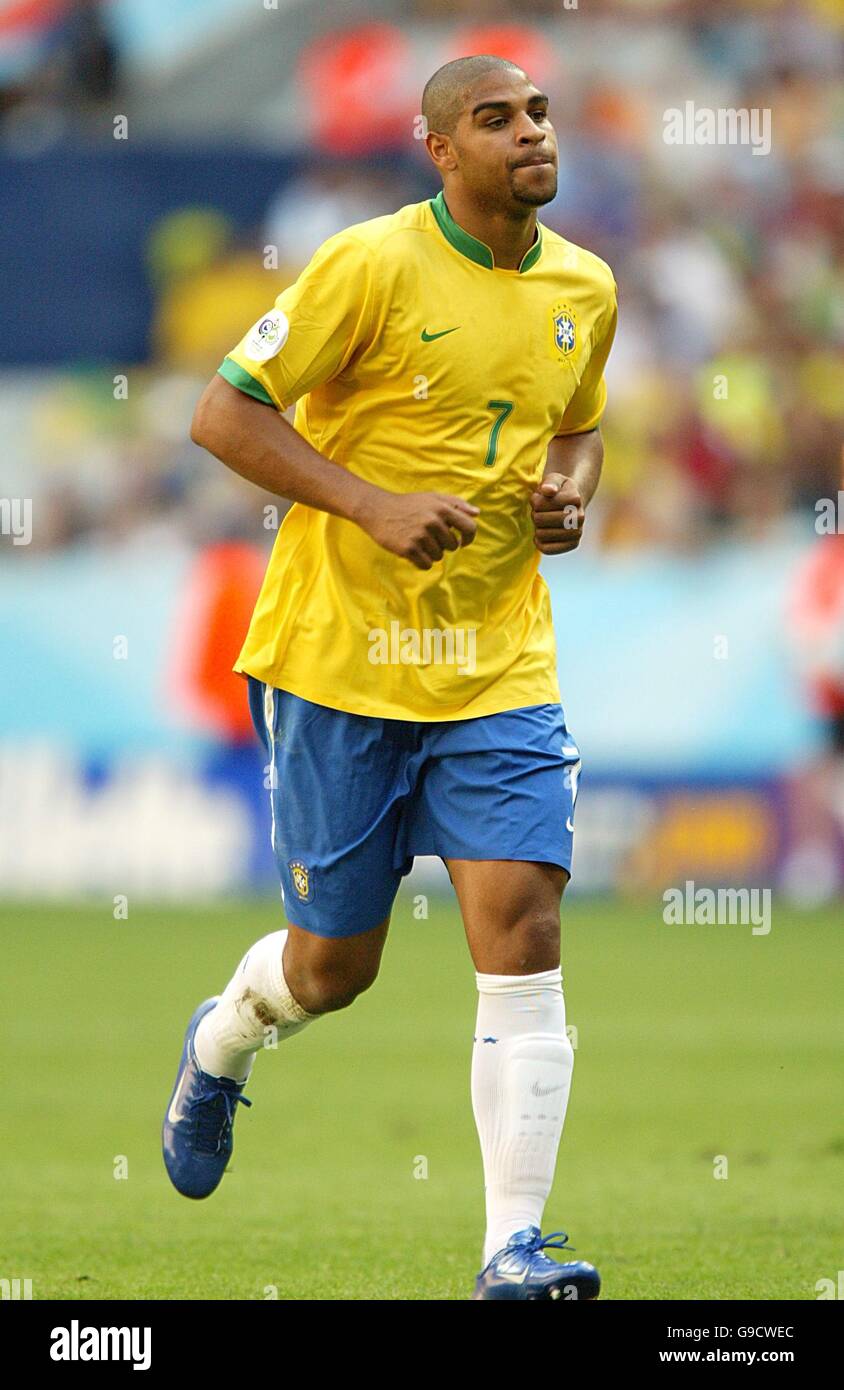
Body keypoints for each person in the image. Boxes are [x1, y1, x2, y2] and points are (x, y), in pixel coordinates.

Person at [163, 54, 617, 1302]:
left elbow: (577, 417)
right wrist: (366, 502)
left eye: (535, 112)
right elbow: (222, 411)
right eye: (495, 118)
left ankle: (510, 1247)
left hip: (496, 662)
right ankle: (219, 1044)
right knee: (334, 967)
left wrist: (567, 493)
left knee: (522, 924)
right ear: (438, 148)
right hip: (339, 661)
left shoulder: (586, 283)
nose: (529, 133)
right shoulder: (367, 263)